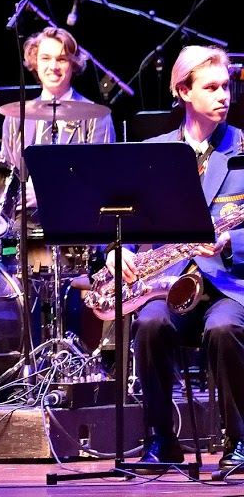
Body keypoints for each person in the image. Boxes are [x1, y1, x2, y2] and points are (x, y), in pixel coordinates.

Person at [106, 45, 244, 469]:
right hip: (167, 283)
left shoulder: (243, 149)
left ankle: (239, 441)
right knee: (149, 324)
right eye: (211, 87)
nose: (224, 96)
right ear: (184, 91)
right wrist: (117, 252)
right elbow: (118, 216)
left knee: (224, 329)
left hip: (228, 285)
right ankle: (161, 439)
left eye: (226, 87)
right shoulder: (154, 151)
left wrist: (228, 245)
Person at [0, 26, 116, 233]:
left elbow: (102, 179)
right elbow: (6, 176)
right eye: (45, 58)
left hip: (78, 226)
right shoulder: (14, 117)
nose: (53, 66)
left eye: (61, 59)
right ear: (35, 62)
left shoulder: (97, 117)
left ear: (73, 64)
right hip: (22, 228)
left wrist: (47, 194)